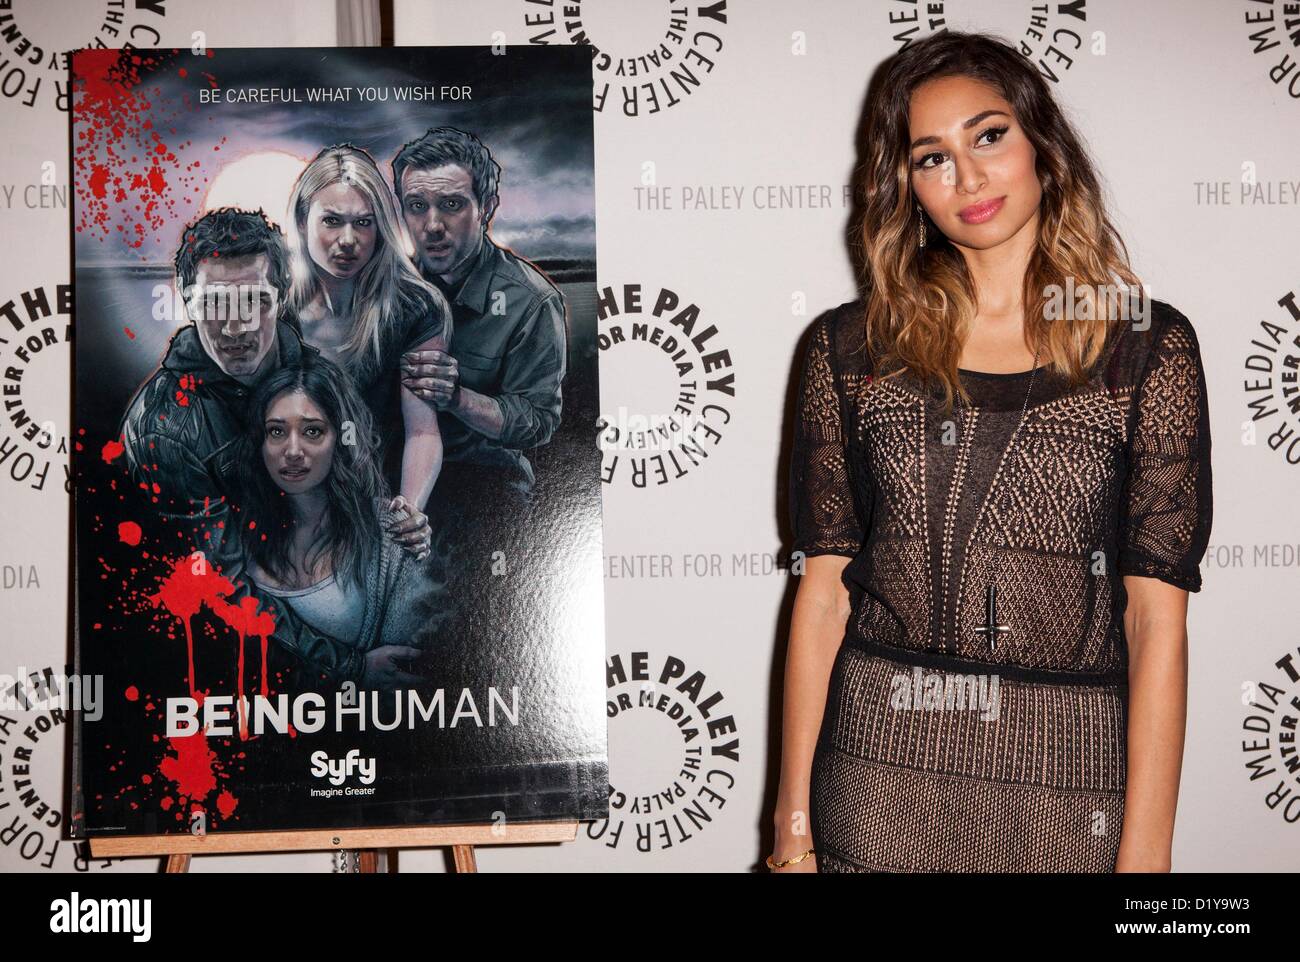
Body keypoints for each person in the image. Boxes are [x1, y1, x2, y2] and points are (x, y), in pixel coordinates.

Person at [771, 32, 1212, 873]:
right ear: (907, 187)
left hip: (1071, 789)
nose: (967, 177)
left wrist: (1146, 857)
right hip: (877, 779)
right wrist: (793, 835)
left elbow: (1156, 619)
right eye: (932, 157)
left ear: (1042, 144)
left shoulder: (1145, 347)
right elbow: (824, 595)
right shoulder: (852, 349)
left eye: (989, 136)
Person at [119, 207, 431, 689]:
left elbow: (366, 491)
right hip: (233, 665)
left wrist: (404, 524)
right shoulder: (165, 426)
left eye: (253, 300)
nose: (236, 327)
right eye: (215, 304)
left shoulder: (323, 378)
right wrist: (348, 667)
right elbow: (219, 586)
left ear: (280, 299)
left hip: (347, 603)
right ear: (187, 302)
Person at [390, 126, 568, 545]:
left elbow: (538, 423)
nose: (432, 225)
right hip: (392, 483)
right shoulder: (387, 289)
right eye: (417, 206)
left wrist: (458, 399)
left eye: (451, 205)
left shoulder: (533, 303)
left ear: (487, 206)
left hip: (485, 492)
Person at [238, 353, 446, 671]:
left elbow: (405, 675)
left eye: (312, 432)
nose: (292, 451)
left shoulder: (395, 535)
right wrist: (352, 670)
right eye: (277, 432)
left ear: (341, 438)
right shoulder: (233, 537)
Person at [285, 144, 451, 522]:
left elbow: (422, 431)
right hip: (288, 500)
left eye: (364, 222)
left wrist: (408, 511)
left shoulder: (415, 308)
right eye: (331, 221)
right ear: (301, 220)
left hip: (376, 499)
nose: (348, 239)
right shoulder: (276, 309)